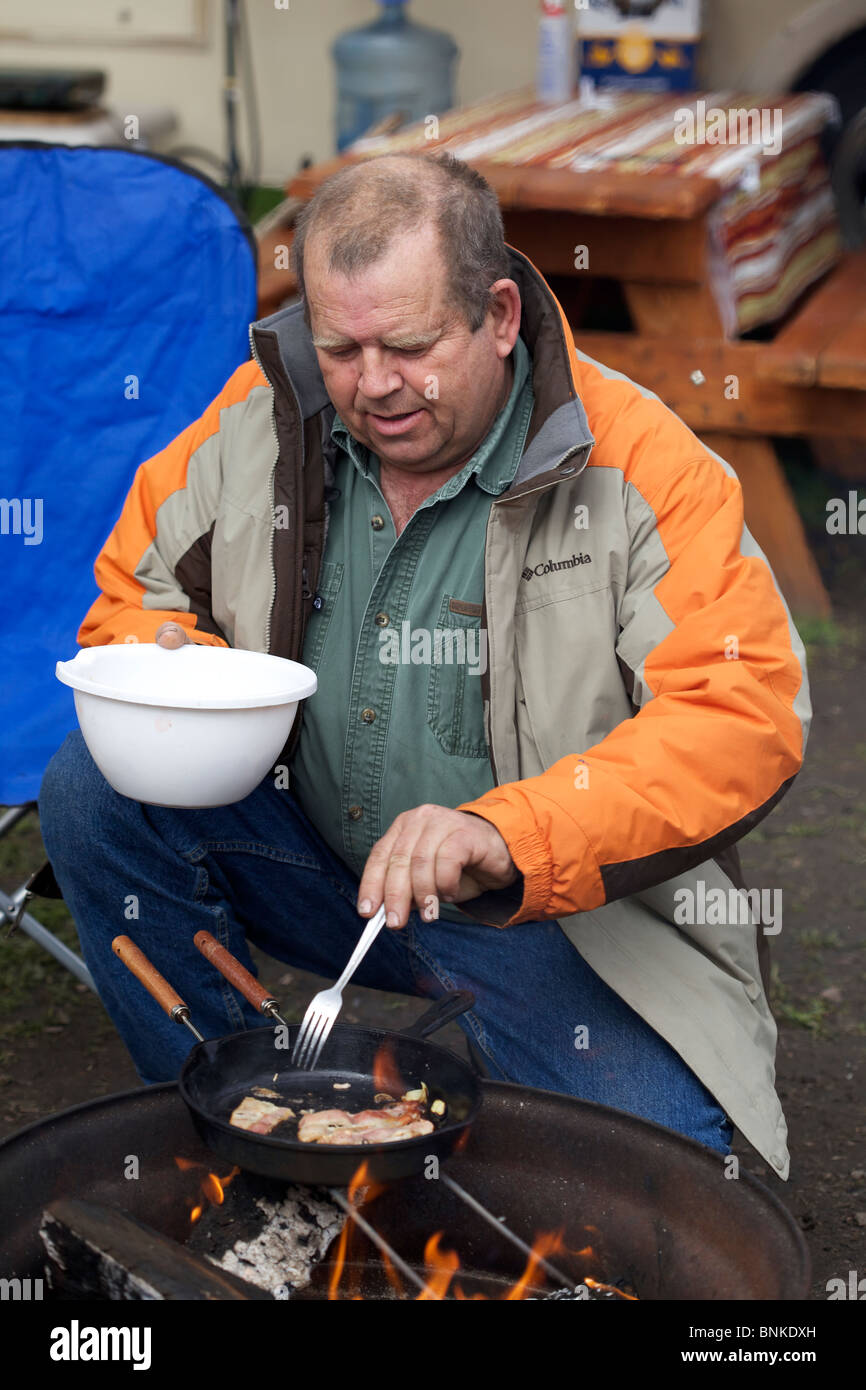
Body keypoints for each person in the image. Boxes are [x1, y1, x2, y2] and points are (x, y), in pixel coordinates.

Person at [39, 152, 810, 1179]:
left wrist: (504, 833)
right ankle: (243, 1116)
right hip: (319, 870)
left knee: (656, 1187)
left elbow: (741, 712)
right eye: (339, 346)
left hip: (552, 915)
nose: (371, 386)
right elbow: (134, 603)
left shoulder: (643, 466)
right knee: (95, 787)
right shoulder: (257, 419)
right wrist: (186, 667)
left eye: (407, 344)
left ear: (497, 314)